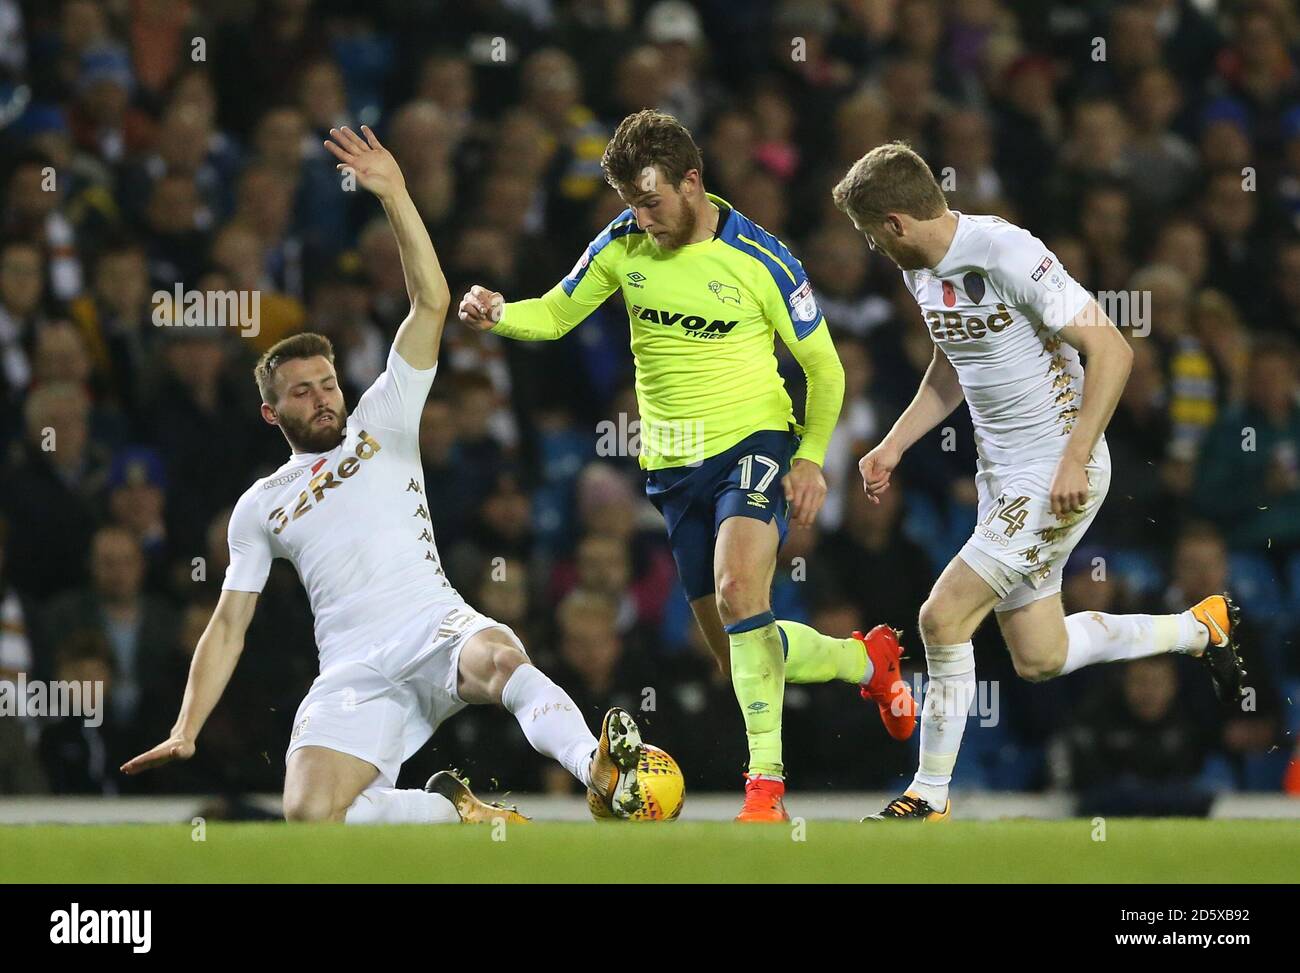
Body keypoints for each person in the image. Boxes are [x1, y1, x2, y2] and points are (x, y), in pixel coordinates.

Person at [121, 126, 650, 825]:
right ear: (269, 410)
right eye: (302, 391)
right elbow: (226, 627)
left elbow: (430, 301)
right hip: (353, 667)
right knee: (312, 816)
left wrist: (397, 194)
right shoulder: (263, 504)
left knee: (497, 655)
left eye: (327, 381)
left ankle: (597, 769)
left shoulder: (383, 420)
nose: (322, 397)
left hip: (433, 624)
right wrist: (188, 725)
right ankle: (461, 816)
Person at [459, 110, 915, 822]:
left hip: (754, 444)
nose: (640, 218)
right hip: (673, 470)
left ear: (692, 181)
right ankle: (867, 663)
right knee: (740, 654)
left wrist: (807, 459)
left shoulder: (764, 258)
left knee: (740, 593)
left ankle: (764, 793)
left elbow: (824, 370)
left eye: (651, 201)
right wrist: (498, 312)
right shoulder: (622, 242)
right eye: (630, 205)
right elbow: (553, 315)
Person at [834, 141, 1247, 821]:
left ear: (896, 224)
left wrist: (1075, 455)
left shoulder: (1007, 252)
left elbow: (1112, 347)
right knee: (1040, 654)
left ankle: (929, 793)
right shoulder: (921, 273)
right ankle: (1198, 628)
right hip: (1004, 475)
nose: (872, 248)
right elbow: (952, 364)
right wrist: (894, 443)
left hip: (1057, 466)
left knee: (941, 615)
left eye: (869, 234)